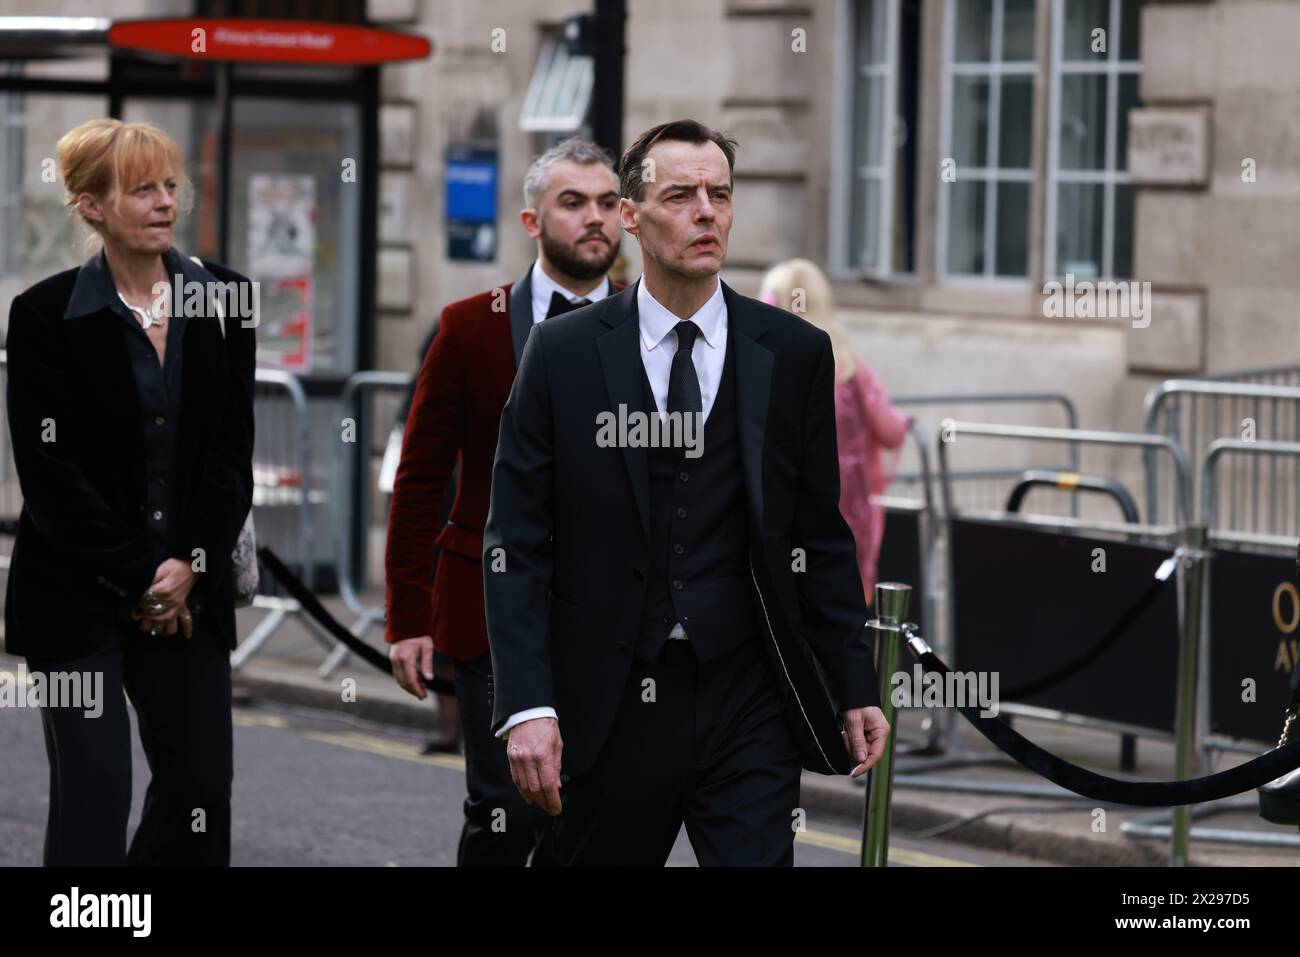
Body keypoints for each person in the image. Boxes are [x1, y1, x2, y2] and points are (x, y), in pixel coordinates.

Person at [483, 119, 891, 866]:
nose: (706, 211)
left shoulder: (793, 352)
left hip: (749, 698)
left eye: (720, 194)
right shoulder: (562, 353)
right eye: (680, 195)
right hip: (608, 701)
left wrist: (853, 681)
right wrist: (528, 704)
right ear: (631, 216)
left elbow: (818, 536)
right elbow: (516, 542)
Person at [3, 118, 256, 866]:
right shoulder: (45, 314)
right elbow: (51, 476)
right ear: (91, 205)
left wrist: (190, 567)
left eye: (170, 185)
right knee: (94, 798)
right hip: (76, 592)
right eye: (142, 189)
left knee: (200, 790)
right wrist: (146, 571)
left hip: (189, 592)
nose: (165, 202)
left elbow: (231, 456)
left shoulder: (226, 299)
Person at [384, 137, 624, 866]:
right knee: (506, 810)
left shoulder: (652, 325)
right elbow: (420, 478)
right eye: (572, 202)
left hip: (612, 616)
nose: (595, 218)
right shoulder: (469, 325)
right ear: (532, 220)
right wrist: (408, 616)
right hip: (488, 610)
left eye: (608, 203)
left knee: (593, 819)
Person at [759, 258, 911, 607]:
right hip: (846, 520)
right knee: (842, 612)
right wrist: (906, 422)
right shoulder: (851, 370)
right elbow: (889, 430)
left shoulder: (762, 366)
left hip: (780, 517)